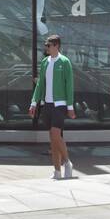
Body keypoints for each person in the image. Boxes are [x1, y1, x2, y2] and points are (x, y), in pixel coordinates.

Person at [29, 33, 75, 180]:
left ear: (56, 46)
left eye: (48, 45)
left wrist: (70, 106)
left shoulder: (65, 61)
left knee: (56, 134)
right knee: (53, 139)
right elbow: (40, 84)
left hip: (60, 104)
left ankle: (67, 162)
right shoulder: (45, 62)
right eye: (46, 45)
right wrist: (34, 103)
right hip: (47, 104)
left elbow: (70, 85)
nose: (46, 48)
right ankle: (57, 171)